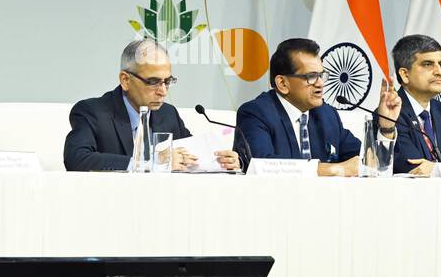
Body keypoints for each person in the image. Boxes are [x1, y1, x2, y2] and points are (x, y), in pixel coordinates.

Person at [63, 39, 241, 172]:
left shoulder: (168, 114)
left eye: (168, 81)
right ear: (125, 80)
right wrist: (149, 164)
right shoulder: (93, 112)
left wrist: (219, 160)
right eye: (153, 82)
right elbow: (77, 159)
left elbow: (190, 154)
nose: (163, 91)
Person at [234, 37, 400, 176]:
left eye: (322, 75)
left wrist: (386, 128)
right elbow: (261, 166)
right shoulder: (256, 113)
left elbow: (368, 163)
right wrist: (333, 169)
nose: (321, 84)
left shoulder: (326, 115)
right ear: (283, 83)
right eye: (311, 77)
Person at [390, 34, 441, 175]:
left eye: (440, 64)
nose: (439, 72)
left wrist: (436, 169)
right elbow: (414, 168)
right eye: (428, 64)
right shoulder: (391, 114)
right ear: (405, 74)